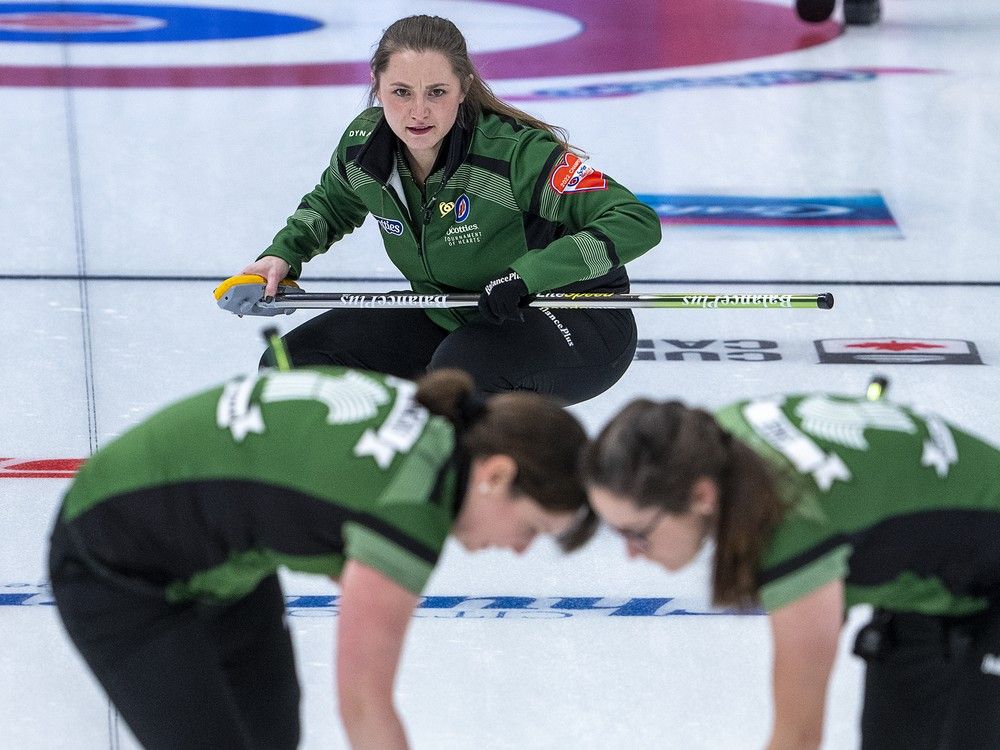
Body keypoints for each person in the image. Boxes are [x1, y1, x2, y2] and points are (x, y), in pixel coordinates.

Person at [48, 365, 596, 750]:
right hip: (114, 570)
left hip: (218, 564)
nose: (522, 549)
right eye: (531, 528)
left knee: (272, 737)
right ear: (496, 475)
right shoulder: (412, 505)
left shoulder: (431, 425)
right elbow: (364, 708)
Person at [239, 15, 661, 406]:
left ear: (463, 88)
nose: (418, 112)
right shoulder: (363, 149)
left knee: (458, 377)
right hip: (455, 310)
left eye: (436, 92)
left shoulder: (513, 155)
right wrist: (281, 256)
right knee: (290, 362)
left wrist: (528, 276)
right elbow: (331, 205)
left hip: (572, 316)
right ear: (376, 85)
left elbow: (633, 221)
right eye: (401, 92)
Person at [580, 389, 1000, 750]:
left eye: (635, 533)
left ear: (701, 496)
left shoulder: (788, 524)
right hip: (942, 585)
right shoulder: (717, 442)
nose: (631, 554)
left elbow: (798, 737)